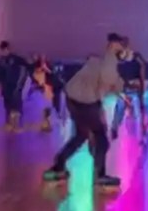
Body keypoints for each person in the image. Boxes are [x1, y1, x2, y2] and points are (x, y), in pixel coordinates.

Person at [42, 33, 132, 189]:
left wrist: (121, 93)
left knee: (81, 135)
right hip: (86, 102)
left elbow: (111, 82)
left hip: (73, 99)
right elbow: (109, 79)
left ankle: (58, 166)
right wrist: (116, 53)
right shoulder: (108, 61)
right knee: (101, 138)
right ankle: (100, 176)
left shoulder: (96, 62)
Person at [110, 36, 148, 140]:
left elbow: (143, 68)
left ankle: (141, 135)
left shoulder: (136, 59)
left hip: (134, 90)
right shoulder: (119, 61)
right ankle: (114, 129)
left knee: (138, 113)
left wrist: (141, 84)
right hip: (124, 90)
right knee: (119, 110)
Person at [0, 41, 29, 132]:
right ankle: (9, 123)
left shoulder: (14, 58)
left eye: (4, 50)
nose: (3, 52)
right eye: (2, 50)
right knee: (7, 104)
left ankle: (16, 125)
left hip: (15, 84)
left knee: (16, 104)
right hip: (5, 85)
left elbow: (26, 64)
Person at [30, 55, 65, 132]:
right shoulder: (37, 70)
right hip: (45, 89)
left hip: (48, 88)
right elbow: (37, 78)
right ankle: (46, 123)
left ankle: (48, 123)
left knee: (48, 106)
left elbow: (52, 76)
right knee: (46, 106)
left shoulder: (49, 68)